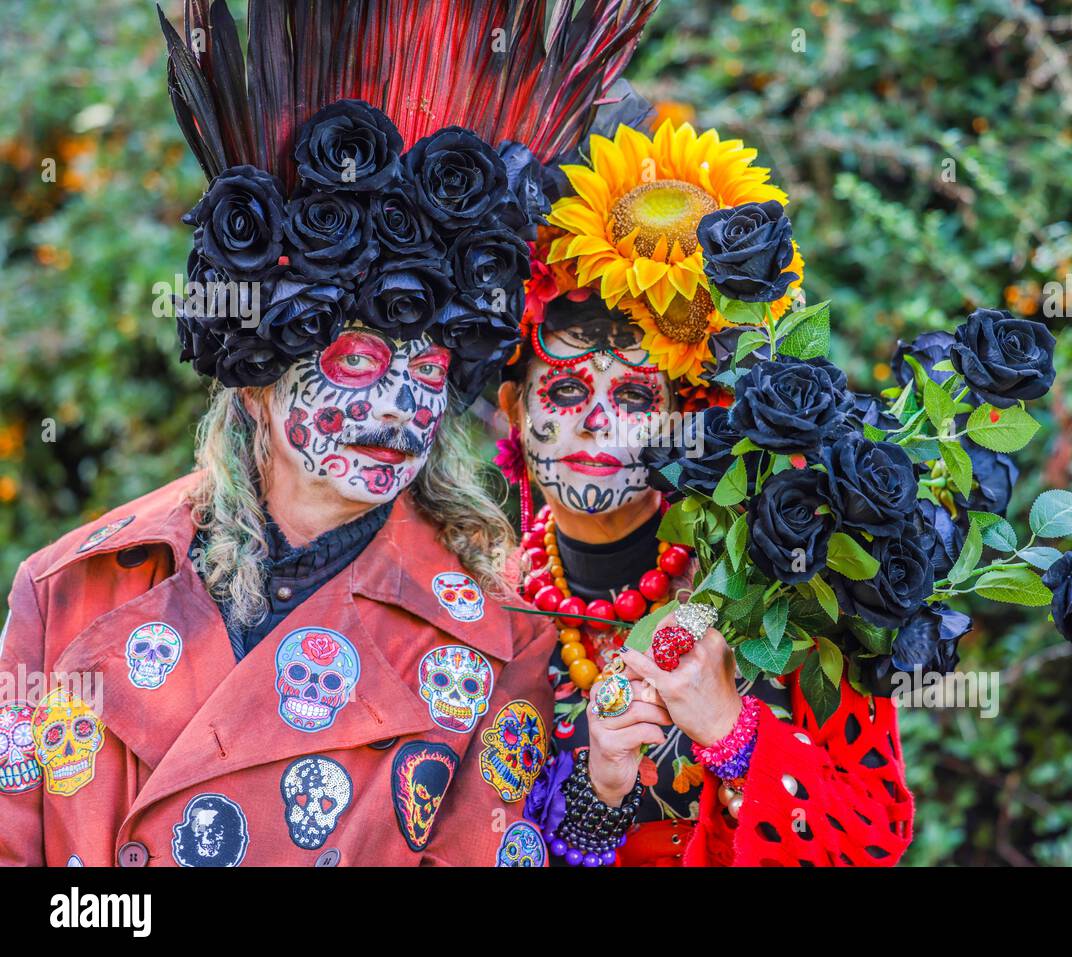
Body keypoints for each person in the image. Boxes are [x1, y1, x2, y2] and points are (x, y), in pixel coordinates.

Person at [0, 0, 655, 867]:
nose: (396, 407)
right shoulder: (69, 588)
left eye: (424, 375)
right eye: (356, 363)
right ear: (262, 376)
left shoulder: (499, 635)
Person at [497, 113, 915, 866]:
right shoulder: (477, 605)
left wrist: (734, 732)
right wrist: (599, 793)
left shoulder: (789, 597)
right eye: (561, 391)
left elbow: (872, 842)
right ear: (512, 407)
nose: (595, 424)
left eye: (630, 398)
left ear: (682, 413)